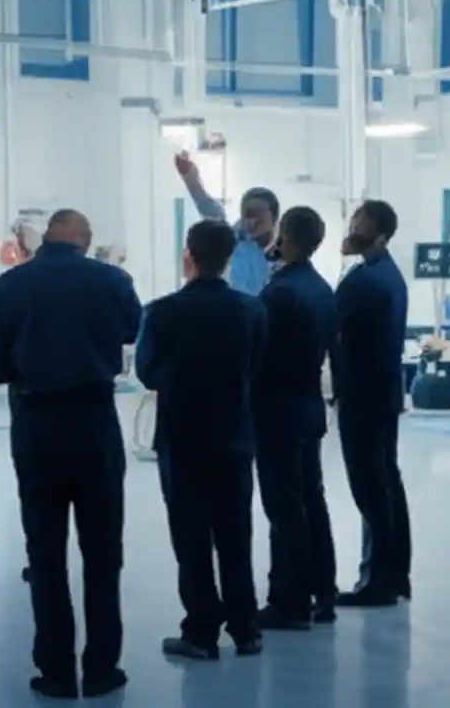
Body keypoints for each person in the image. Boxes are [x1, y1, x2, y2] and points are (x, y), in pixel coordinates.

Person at [0, 209, 140, 699]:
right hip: (94, 423)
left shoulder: (9, 287)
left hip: (37, 425)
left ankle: (55, 670)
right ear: (84, 241)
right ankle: (102, 668)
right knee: (103, 551)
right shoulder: (112, 281)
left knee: (45, 552)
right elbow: (132, 331)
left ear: (46, 237)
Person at [137, 219, 268, 661]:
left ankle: (201, 631)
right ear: (229, 258)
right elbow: (256, 366)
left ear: (188, 256)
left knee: (191, 537)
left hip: (182, 438)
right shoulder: (252, 311)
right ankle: (246, 629)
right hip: (234, 436)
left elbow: (147, 372)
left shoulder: (161, 312)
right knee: (235, 533)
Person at [253, 207, 338, 630]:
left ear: (284, 235)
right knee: (311, 501)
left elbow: (260, 354)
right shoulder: (321, 289)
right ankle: (323, 591)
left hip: (277, 409)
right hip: (308, 406)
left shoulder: (279, 294)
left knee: (284, 507)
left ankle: (288, 601)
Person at [332, 199, 412, 607]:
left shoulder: (365, 281)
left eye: (360, 224)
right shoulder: (387, 274)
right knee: (386, 484)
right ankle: (394, 575)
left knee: (370, 488)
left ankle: (378, 581)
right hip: (382, 393)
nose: (351, 229)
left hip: (363, 396)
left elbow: (326, 318)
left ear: (380, 235)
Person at [173, 151, 277, 296]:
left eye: (258, 213)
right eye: (248, 213)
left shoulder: (287, 250)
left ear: (274, 216)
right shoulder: (233, 240)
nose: (252, 220)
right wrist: (191, 180)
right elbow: (210, 210)